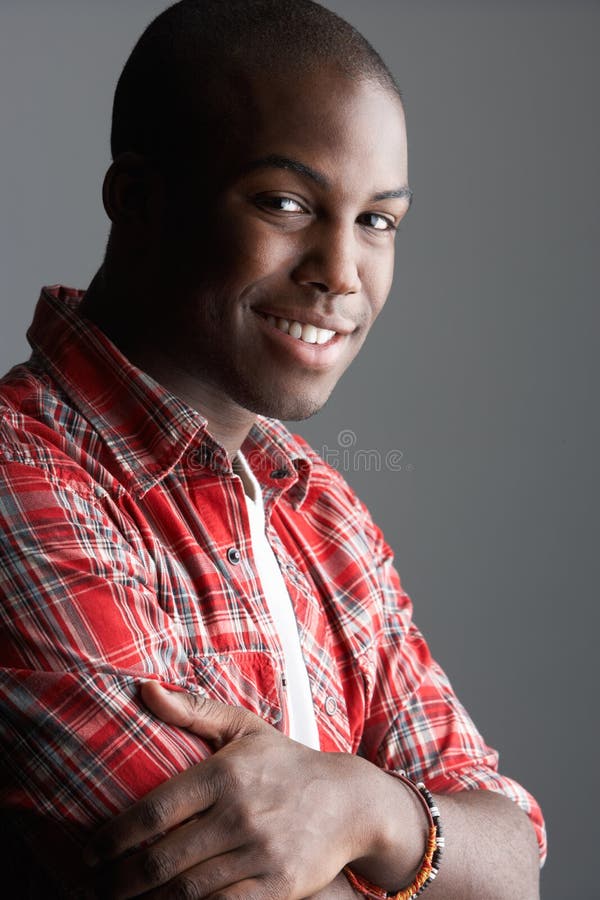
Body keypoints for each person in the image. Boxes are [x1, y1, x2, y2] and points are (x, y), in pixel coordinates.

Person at [0, 1, 545, 897]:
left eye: (378, 221)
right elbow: (207, 885)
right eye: (286, 203)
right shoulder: (25, 480)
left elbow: (513, 862)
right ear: (139, 201)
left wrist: (365, 808)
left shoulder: (317, 505)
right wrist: (416, 853)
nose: (341, 270)